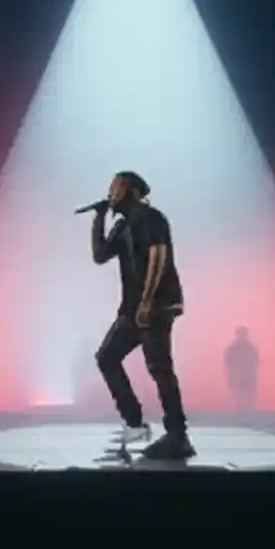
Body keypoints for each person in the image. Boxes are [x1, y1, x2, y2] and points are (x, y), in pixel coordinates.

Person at [91, 171, 194, 459]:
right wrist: (99, 217)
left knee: (159, 367)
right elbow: (100, 255)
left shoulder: (150, 217)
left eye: (117, 186)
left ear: (134, 190)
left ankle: (178, 435)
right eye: (110, 186)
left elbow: (159, 255)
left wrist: (148, 300)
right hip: (133, 306)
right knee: (106, 357)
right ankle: (135, 422)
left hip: (156, 304)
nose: (111, 192)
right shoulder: (123, 225)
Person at [224, 326, 259, 411]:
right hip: (237, 379)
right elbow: (228, 365)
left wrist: (254, 377)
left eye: (244, 334)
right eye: (241, 334)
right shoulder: (232, 349)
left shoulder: (251, 348)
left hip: (248, 379)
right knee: (238, 402)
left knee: (249, 403)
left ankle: (249, 418)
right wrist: (231, 377)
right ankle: (239, 418)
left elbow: (255, 363)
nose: (243, 336)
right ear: (237, 335)